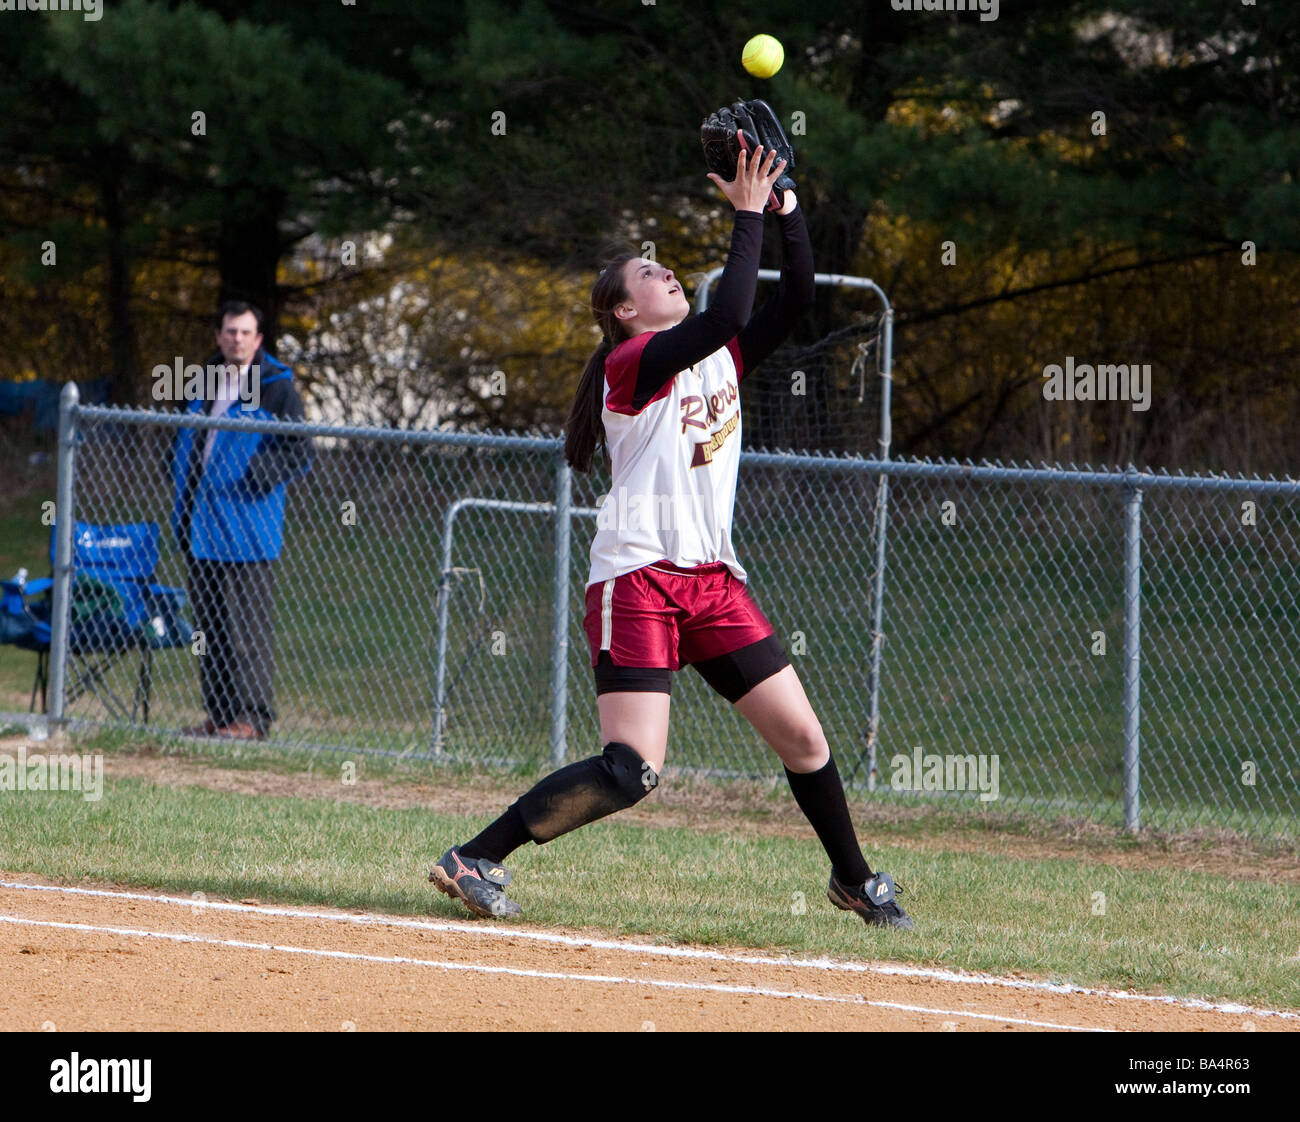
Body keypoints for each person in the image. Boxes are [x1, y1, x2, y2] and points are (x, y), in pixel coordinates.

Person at [430, 145, 913, 930]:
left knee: (804, 738)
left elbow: (791, 302)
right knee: (633, 771)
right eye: (647, 274)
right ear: (625, 310)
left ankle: (855, 881)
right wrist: (745, 209)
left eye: (663, 269)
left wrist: (785, 210)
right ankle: (476, 856)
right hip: (638, 579)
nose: (664, 275)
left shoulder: (715, 358)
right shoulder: (632, 364)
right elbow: (727, 311)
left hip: (711, 581)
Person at [172, 300, 312, 741]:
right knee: (209, 630)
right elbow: (185, 437)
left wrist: (256, 475)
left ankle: (252, 720)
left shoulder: (275, 388)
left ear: (259, 339)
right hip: (201, 526)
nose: (236, 339)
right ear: (218, 336)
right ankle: (220, 714)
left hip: (249, 532)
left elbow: (300, 451)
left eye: (245, 332)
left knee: (246, 633)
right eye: (230, 331)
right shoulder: (201, 381)